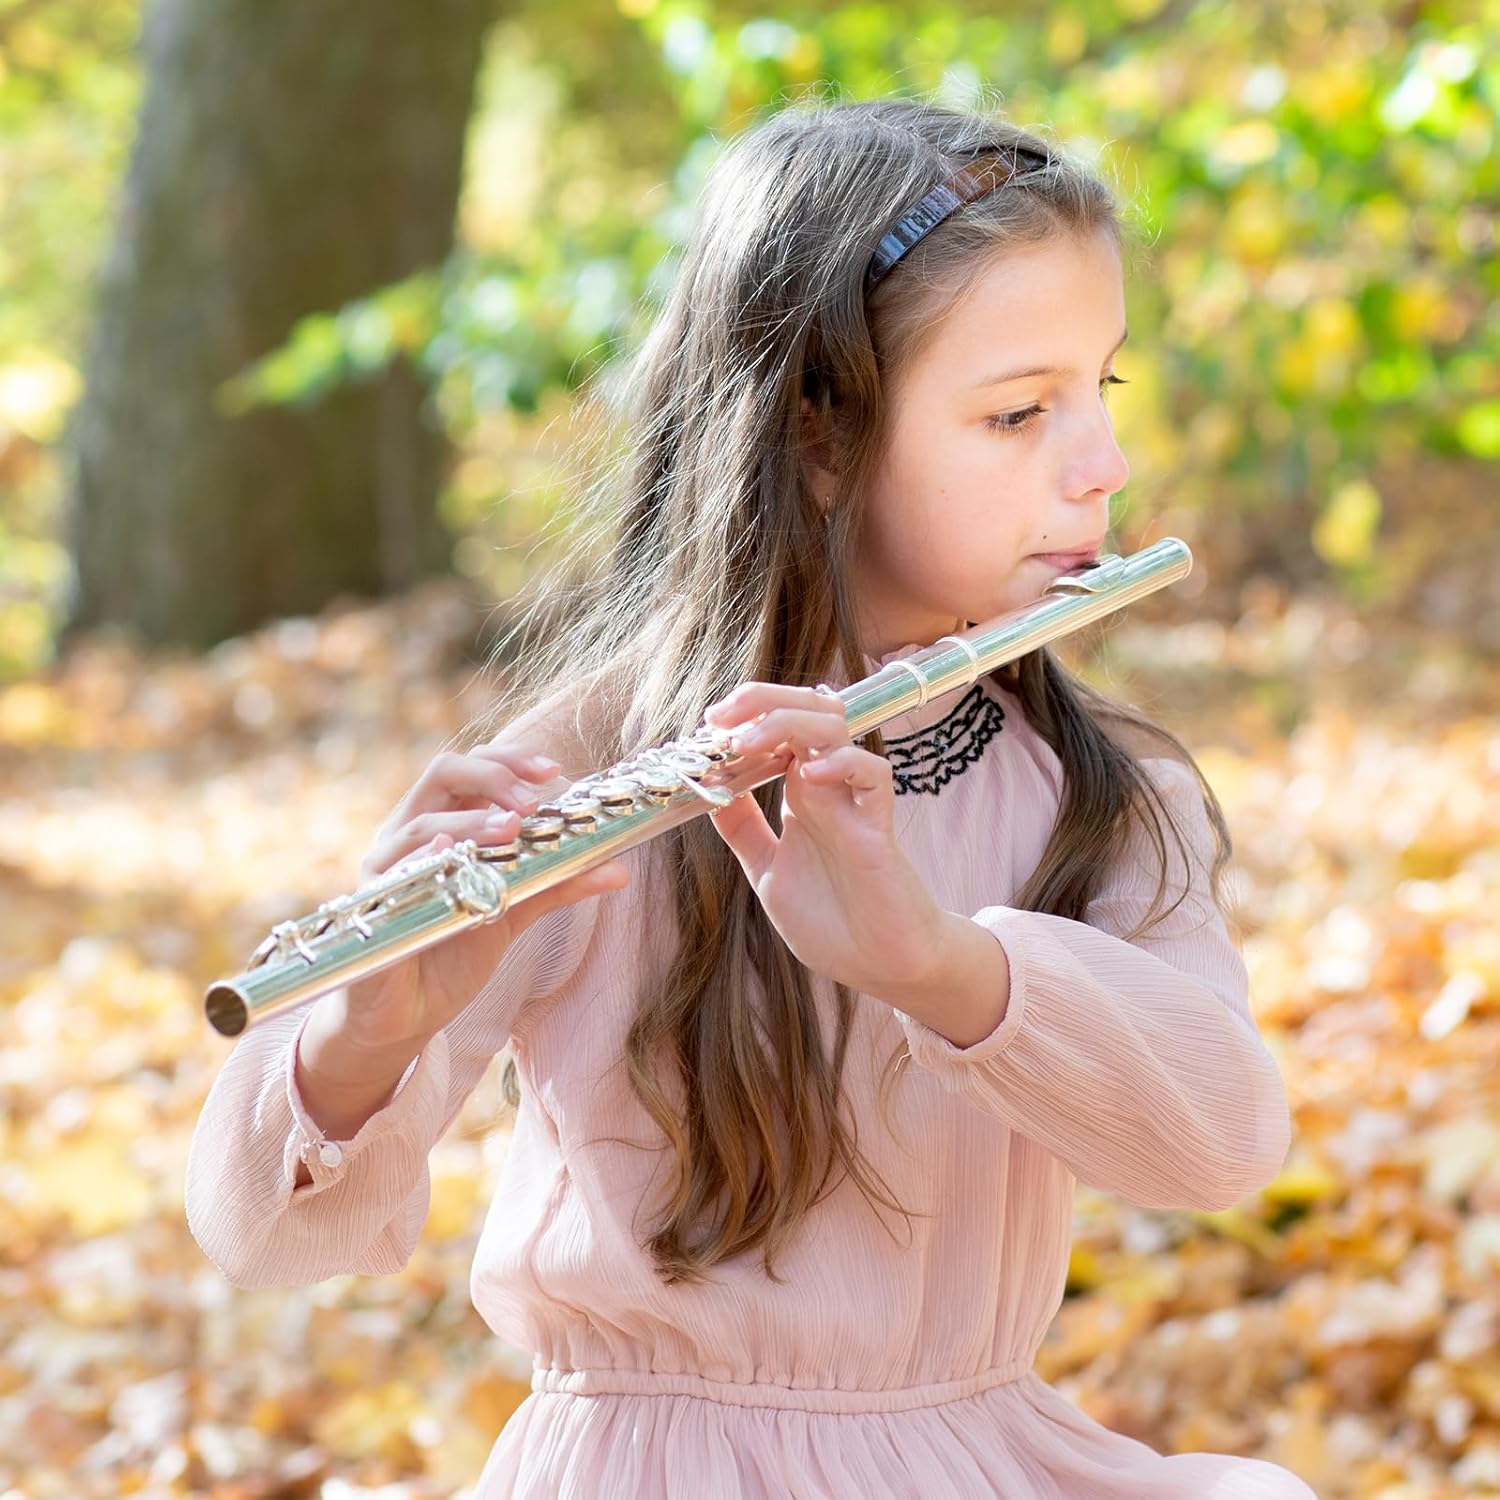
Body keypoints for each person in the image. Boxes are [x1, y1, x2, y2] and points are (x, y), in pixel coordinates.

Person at [185, 96, 1316, 1499]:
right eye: (1021, 411)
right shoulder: (591, 761)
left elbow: (1223, 1142)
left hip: (974, 1455)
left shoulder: (1101, 792)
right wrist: (363, 1032)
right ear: (818, 433)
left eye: (1104, 391)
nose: (1103, 467)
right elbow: (265, 1239)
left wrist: (942, 967)